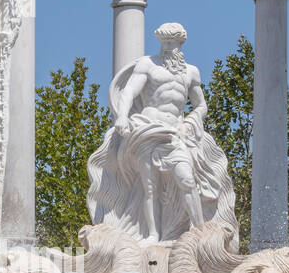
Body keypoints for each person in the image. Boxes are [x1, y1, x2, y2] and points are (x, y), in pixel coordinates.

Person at [86, 22, 236, 244]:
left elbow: (201, 105)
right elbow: (129, 91)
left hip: (175, 134)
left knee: (187, 179)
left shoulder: (191, 72)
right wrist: (122, 116)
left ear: (180, 43)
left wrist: (191, 122)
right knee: (149, 187)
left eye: (171, 42)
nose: (167, 47)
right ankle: (153, 234)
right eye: (164, 42)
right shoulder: (148, 65)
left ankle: (198, 229)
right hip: (147, 129)